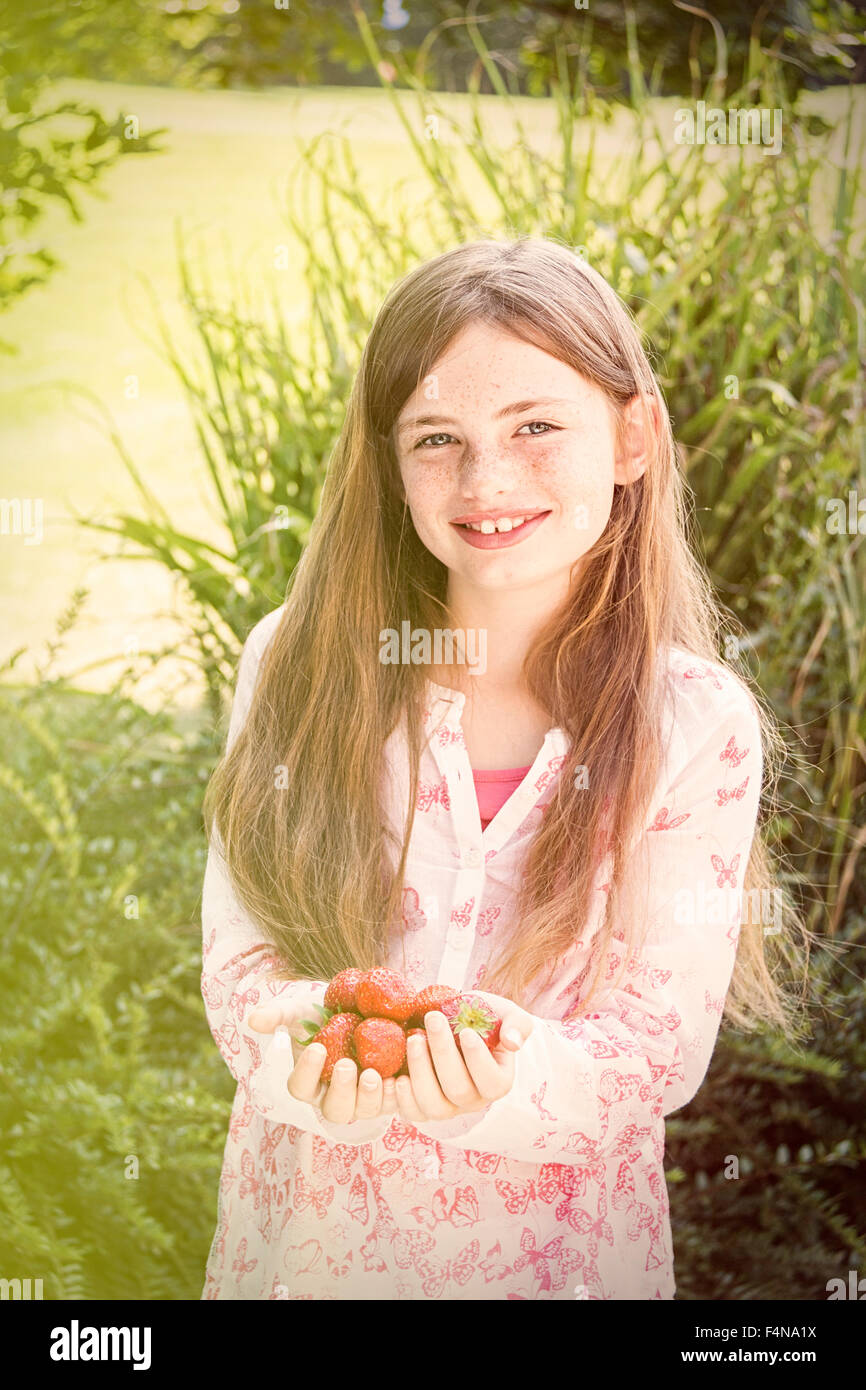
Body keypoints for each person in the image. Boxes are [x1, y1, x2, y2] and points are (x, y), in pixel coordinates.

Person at [199, 236, 808, 1300]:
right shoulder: (293, 665)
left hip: (558, 1271)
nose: (486, 481)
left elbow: (650, 1051)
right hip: (306, 1260)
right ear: (388, 463)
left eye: (534, 426)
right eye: (437, 438)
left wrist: (486, 1071)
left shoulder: (692, 723)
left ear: (631, 437)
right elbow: (240, 971)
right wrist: (314, 1064)